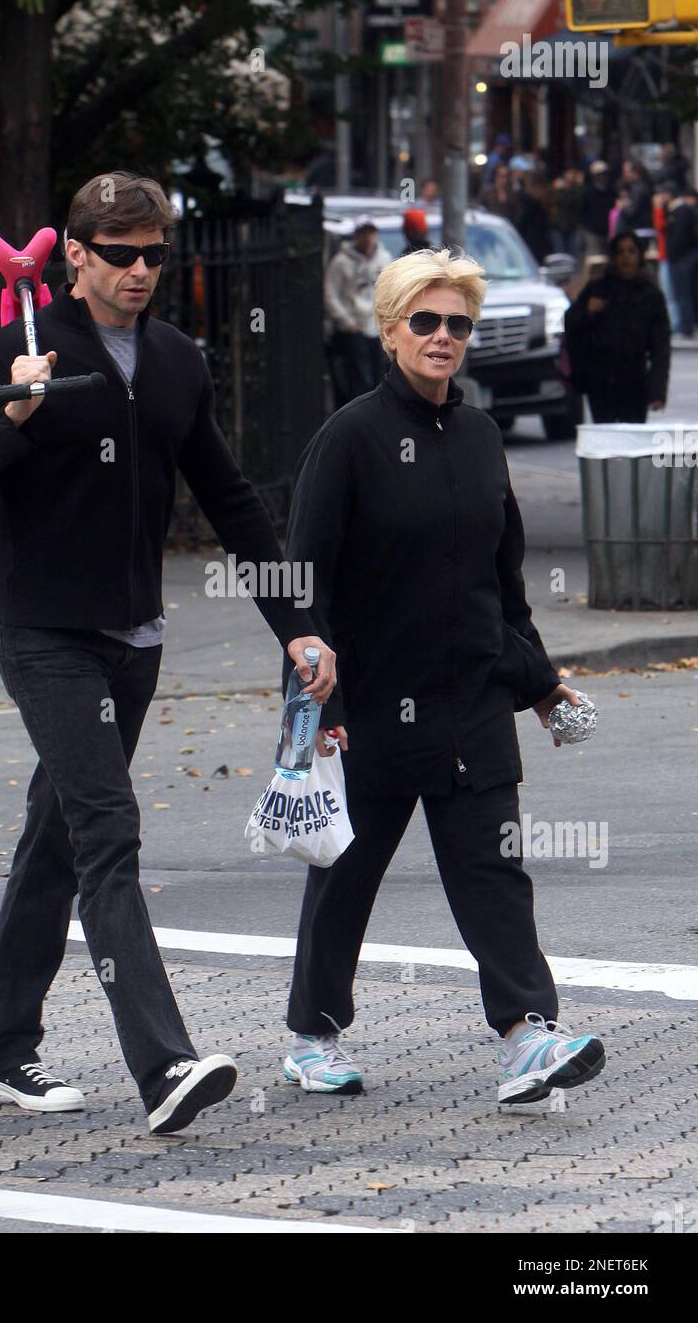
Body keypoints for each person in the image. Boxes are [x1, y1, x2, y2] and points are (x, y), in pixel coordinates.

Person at [0, 171, 337, 1134]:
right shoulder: (24, 345)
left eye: (155, 253)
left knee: (57, 840)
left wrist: (298, 625)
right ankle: (165, 1064)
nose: (141, 270)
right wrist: (12, 415)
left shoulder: (179, 360)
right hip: (43, 637)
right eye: (120, 255)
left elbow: (230, 501)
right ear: (73, 254)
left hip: (136, 642)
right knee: (109, 835)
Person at [279, 248, 606, 1106]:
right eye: (424, 321)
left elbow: (504, 586)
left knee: (495, 868)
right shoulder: (348, 437)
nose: (443, 336)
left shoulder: (480, 434)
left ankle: (527, 1036)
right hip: (374, 705)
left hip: (473, 700)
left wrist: (539, 684)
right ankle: (312, 1034)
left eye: (457, 323)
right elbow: (300, 582)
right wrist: (326, 702)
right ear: (389, 332)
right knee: (346, 872)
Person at [564, 230, 670, 422]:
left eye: (631, 251)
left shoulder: (651, 295)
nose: (626, 258)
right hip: (600, 381)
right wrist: (588, 312)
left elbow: (660, 347)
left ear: (639, 255)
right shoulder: (598, 288)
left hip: (634, 382)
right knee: (605, 442)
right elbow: (571, 325)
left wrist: (657, 391)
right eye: (620, 252)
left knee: (632, 441)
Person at [324, 217, 393, 405]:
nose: (367, 238)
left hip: (377, 327)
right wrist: (347, 321)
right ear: (356, 236)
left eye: (370, 233)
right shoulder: (341, 262)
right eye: (363, 233)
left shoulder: (384, 259)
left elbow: (390, 290)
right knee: (360, 379)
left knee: (381, 375)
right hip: (354, 327)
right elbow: (330, 294)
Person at [665, 187, 698, 338]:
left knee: (683, 294)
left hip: (682, 259)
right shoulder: (679, 211)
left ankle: (686, 327)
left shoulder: (681, 212)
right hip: (682, 258)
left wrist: (673, 255)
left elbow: (679, 238)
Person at [653, 180, 681, 334]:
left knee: (669, 292)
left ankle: (675, 324)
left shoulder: (669, 211)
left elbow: (660, 227)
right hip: (665, 255)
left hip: (667, 255)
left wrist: (657, 209)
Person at [581, 161, 616, 260]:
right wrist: (589, 224)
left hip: (609, 231)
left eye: (604, 174)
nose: (602, 177)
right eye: (599, 174)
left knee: (608, 259)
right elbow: (583, 211)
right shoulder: (588, 192)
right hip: (593, 232)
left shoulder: (611, 191)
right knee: (594, 259)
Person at [550, 167, 585, 258]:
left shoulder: (577, 189)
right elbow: (556, 201)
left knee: (572, 253)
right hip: (558, 225)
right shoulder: (557, 188)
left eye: (574, 173)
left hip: (571, 225)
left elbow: (580, 203)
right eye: (570, 173)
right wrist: (558, 190)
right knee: (560, 252)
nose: (572, 176)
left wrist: (580, 186)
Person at [615, 159, 654, 233]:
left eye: (627, 172)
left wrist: (623, 205)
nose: (625, 175)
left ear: (635, 173)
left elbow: (632, 212)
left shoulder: (639, 189)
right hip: (640, 228)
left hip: (639, 229)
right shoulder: (636, 186)